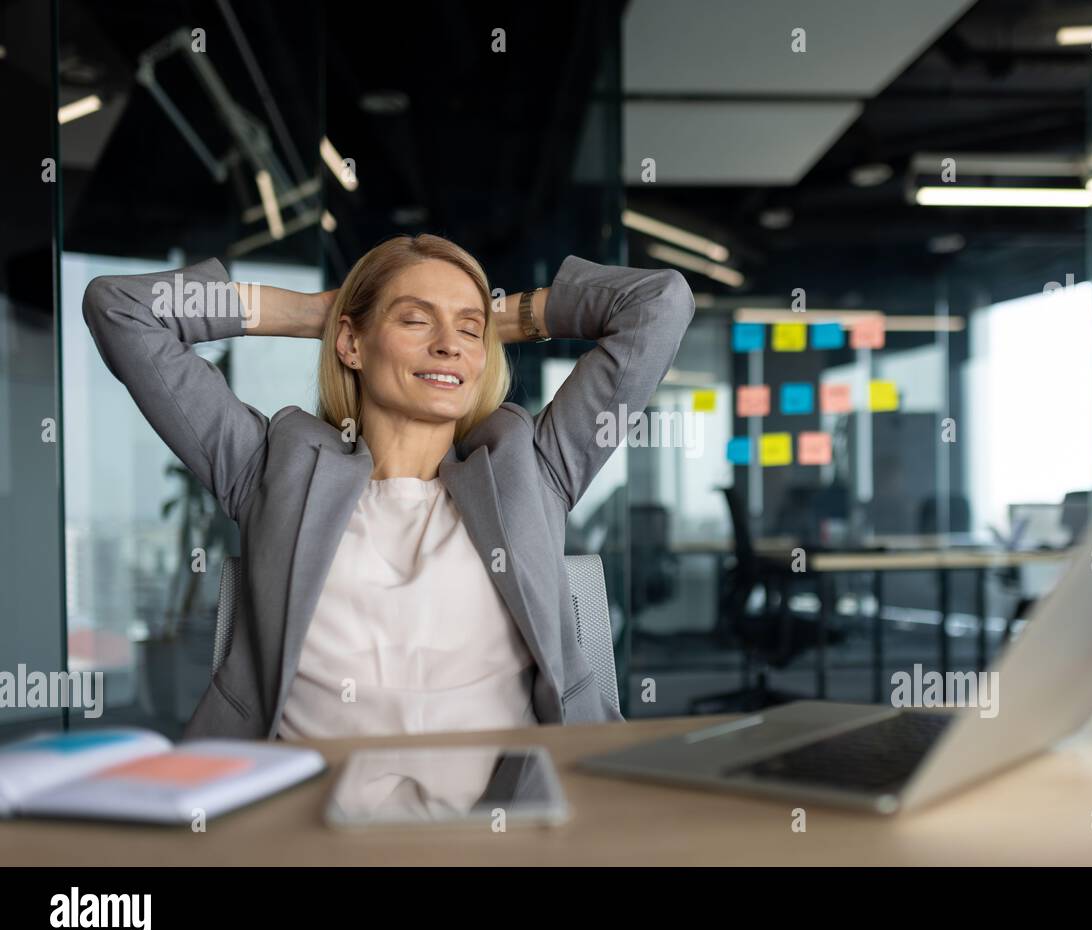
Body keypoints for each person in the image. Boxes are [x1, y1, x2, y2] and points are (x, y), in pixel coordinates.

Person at [82, 234, 695, 739]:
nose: (449, 344)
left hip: (501, 816)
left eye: (467, 330)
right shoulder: (272, 465)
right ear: (351, 343)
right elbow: (121, 308)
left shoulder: (529, 466)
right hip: (303, 810)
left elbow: (660, 304)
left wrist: (509, 316)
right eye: (413, 320)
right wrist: (306, 315)